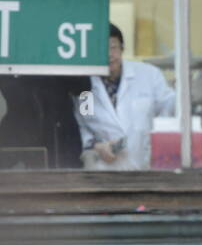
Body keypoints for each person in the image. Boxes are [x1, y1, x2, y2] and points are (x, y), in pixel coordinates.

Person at [74, 23, 176, 170]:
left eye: (113, 47)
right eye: (101, 49)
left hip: (144, 167)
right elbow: (84, 124)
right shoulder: (86, 88)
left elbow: (169, 111)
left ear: (122, 48)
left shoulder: (148, 75)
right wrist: (97, 146)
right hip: (104, 170)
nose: (109, 54)